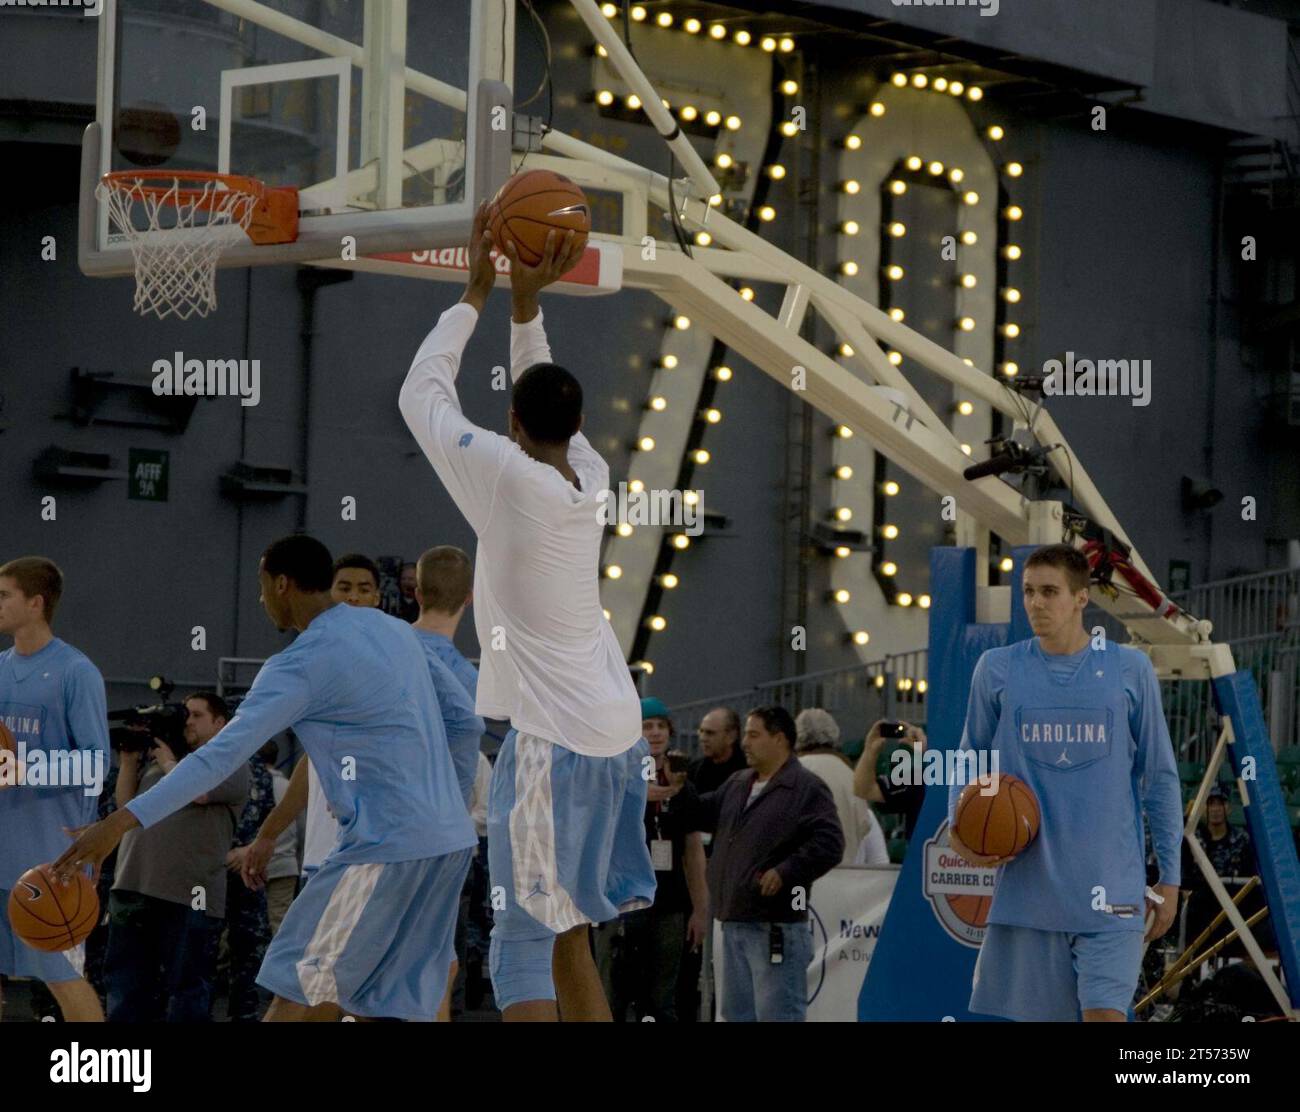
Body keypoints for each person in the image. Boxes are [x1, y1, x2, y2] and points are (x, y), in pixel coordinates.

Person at [399, 207, 653, 1022]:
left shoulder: (507, 477)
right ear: (575, 426)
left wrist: (474, 293)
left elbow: (419, 394)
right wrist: (524, 305)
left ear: (513, 425)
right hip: (613, 738)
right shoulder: (589, 472)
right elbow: (542, 388)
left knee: (517, 945)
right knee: (570, 933)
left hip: (556, 742)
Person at [56, 535, 477, 1021]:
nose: (260, 600)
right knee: (387, 1006)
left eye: (261, 587)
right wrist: (449, 801)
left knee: (297, 992)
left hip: (384, 849)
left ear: (281, 584)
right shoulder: (394, 630)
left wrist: (119, 822)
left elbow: (215, 759)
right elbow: (465, 723)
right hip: (449, 845)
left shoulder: (298, 664)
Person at [947, 542, 1183, 1023]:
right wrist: (960, 827)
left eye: (1049, 592)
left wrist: (1171, 879)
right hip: (1031, 893)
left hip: (1112, 892)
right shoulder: (996, 668)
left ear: (1082, 598)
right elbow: (968, 756)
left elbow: (1160, 777)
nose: (1035, 603)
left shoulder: (1130, 669)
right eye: (1028, 591)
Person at [0, 556, 108, 1022]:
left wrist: (26, 767)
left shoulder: (75, 671)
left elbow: (96, 763)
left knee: (63, 980)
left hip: (49, 860)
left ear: (36, 603)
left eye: (4, 594)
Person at [689, 706, 843, 1022]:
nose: (744, 743)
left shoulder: (806, 787)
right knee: (736, 1016)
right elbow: (701, 814)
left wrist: (786, 871)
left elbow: (830, 843)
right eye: (745, 734)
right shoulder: (738, 782)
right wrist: (678, 791)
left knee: (778, 1016)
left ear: (780, 739)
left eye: (753, 734)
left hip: (775, 925)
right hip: (733, 920)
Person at [107, 691, 249, 1022]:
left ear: (220, 723)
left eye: (197, 715)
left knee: (186, 989)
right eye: (185, 713)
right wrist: (129, 761)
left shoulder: (229, 762)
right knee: (127, 986)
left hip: (189, 895)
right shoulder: (164, 766)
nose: (187, 720)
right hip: (134, 885)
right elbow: (126, 806)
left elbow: (195, 791)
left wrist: (169, 761)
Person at [613, 697, 707, 1021]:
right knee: (618, 989)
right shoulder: (617, 778)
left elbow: (693, 850)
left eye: (660, 726)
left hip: (670, 901)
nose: (655, 733)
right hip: (625, 900)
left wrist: (700, 909)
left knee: (663, 996)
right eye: (647, 726)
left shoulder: (683, 786)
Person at [1179, 785, 1258, 954]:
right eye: (1211, 804)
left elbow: (1249, 878)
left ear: (1227, 808)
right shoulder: (1194, 838)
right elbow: (1184, 871)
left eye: (1220, 804)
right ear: (1204, 809)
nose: (1215, 809)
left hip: (1232, 905)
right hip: (1201, 907)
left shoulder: (1241, 839)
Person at [795, 707, 872, 865]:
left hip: (800, 876)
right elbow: (864, 824)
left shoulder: (792, 772)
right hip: (844, 877)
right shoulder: (851, 775)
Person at [853, 719, 927, 842]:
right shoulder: (919, 779)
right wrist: (870, 751)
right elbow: (865, 789)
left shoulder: (964, 775)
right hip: (922, 856)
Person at [690, 707, 748, 795]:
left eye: (710, 733)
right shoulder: (694, 770)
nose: (703, 738)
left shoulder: (747, 771)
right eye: (701, 731)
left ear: (731, 736)